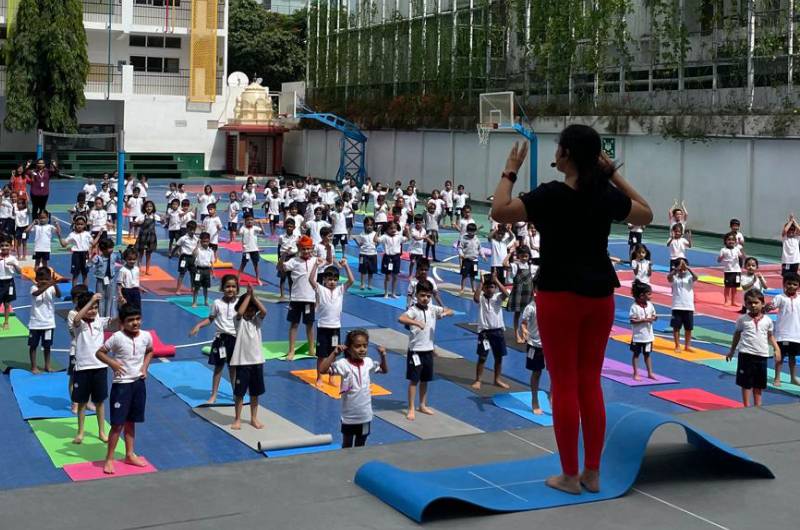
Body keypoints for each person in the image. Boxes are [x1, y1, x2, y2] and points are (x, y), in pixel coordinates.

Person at [489, 125, 652, 494]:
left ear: (565, 155)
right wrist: (611, 173)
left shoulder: (550, 194)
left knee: (563, 384)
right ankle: (592, 473)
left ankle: (569, 475)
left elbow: (500, 210)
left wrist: (510, 171)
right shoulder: (603, 194)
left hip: (560, 294)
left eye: (559, 147)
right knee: (590, 382)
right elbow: (646, 213)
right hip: (600, 295)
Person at [95, 303, 154, 474]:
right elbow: (100, 353)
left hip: (138, 384)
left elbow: (150, 351)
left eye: (137, 319)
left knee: (131, 421)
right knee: (117, 425)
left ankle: (129, 454)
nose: (135, 323)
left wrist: (144, 368)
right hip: (121, 386)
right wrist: (113, 363)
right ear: (122, 322)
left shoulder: (146, 336)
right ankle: (109, 458)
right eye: (130, 320)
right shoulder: (117, 337)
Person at [319, 329, 388, 448]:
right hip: (349, 417)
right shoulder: (343, 364)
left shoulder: (368, 362)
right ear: (349, 348)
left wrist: (383, 356)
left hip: (365, 415)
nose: (362, 349)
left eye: (365, 346)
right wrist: (334, 354)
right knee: (347, 445)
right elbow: (322, 370)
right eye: (357, 346)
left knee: (361, 445)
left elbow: (384, 370)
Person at [397, 280, 454, 421]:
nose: (426, 299)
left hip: (428, 350)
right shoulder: (413, 310)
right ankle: (411, 407)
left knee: (425, 379)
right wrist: (416, 322)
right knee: (414, 380)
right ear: (416, 295)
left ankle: (422, 404)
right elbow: (401, 318)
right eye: (422, 295)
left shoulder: (432, 309)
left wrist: (444, 314)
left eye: (428, 296)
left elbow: (450, 311)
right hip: (415, 351)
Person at [71, 292, 116, 445]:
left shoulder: (99, 321)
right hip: (83, 367)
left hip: (100, 367)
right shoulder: (78, 323)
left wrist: (122, 305)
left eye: (96, 308)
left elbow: (115, 323)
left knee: (99, 401)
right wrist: (91, 301)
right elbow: (77, 318)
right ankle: (80, 432)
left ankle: (102, 431)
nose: (93, 311)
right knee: (82, 402)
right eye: (90, 308)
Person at [189, 275, 240, 404]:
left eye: (233, 286)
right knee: (218, 368)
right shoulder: (217, 303)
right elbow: (210, 319)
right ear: (222, 288)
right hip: (220, 340)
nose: (230, 289)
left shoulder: (240, 303)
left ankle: (235, 392)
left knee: (233, 368)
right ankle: (214, 395)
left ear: (237, 288)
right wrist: (198, 325)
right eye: (227, 286)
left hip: (235, 339)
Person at [727, 290, 781, 407]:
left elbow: (770, 336)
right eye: (750, 303)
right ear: (745, 304)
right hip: (746, 355)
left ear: (762, 304)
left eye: (756, 303)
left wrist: (777, 349)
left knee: (759, 383)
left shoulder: (767, 320)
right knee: (746, 382)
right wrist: (732, 351)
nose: (753, 305)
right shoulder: (742, 319)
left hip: (762, 356)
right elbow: (737, 335)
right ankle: (746, 405)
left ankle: (758, 405)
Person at [309, 259, 355, 386]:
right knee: (321, 355)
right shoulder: (320, 289)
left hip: (335, 328)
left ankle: (331, 376)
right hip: (323, 327)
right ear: (324, 280)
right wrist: (316, 265)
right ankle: (319, 377)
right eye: (329, 280)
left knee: (333, 354)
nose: (332, 282)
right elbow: (311, 280)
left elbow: (351, 281)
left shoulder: (340, 290)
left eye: (335, 280)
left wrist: (346, 266)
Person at [230, 286, 267, 429]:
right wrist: (247, 297)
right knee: (239, 393)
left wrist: (253, 297)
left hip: (257, 362)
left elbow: (264, 311)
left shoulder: (257, 321)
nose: (250, 312)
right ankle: (238, 418)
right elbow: (240, 311)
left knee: (255, 393)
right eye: (248, 309)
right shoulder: (239, 321)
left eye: (253, 310)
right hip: (242, 362)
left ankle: (253, 418)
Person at [279, 235, 317, 360]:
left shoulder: (316, 261)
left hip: (310, 299)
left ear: (312, 248)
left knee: (309, 324)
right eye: (303, 249)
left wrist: (327, 247)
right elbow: (280, 268)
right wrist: (283, 256)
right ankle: (291, 350)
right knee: (294, 324)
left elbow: (329, 262)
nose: (306, 251)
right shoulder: (294, 261)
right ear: (299, 249)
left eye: (308, 249)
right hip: (296, 298)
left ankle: (312, 348)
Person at [471, 273, 510, 390]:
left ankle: (497, 379)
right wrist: (481, 283)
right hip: (485, 333)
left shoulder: (497, 297)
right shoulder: (482, 298)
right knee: (482, 357)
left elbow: (506, 294)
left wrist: (496, 280)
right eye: (487, 287)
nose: (490, 289)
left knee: (499, 357)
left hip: (498, 332)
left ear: (495, 288)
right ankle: (478, 379)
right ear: (484, 288)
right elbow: (475, 298)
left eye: (492, 287)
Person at [767, 273, 800, 386]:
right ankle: (777, 377)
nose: (791, 286)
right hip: (782, 334)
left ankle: (793, 377)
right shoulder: (780, 297)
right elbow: (772, 306)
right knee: (779, 357)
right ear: (784, 284)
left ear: (798, 286)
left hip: (796, 334)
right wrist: (768, 307)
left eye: (794, 284)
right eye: (789, 283)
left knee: (793, 357)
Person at [28, 267, 61, 374]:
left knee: (47, 346)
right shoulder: (33, 287)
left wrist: (54, 284)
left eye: (45, 279)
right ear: (36, 279)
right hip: (35, 323)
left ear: (49, 278)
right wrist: (49, 284)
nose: (42, 281)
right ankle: (34, 366)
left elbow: (59, 295)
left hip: (48, 323)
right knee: (33, 346)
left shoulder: (51, 288)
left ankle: (47, 365)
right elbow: (36, 293)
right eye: (40, 279)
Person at [519, 287, 546, 414]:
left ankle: (552, 397)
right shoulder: (530, 307)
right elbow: (524, 323)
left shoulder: (550, 304)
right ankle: (534, 400)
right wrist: (524, 330)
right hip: (534, 344)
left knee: (555, 373)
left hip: (549, 344)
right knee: (537, 372)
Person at [504, 245, 534, 343]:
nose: (524, 258)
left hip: (528, 292)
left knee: (527, 315)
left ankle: (525, 334)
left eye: (526, 256)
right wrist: (510, 253)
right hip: (519, 292)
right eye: (522, 256)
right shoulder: (515, 265)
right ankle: (517, 335)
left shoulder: (529, 265)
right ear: (519, 256)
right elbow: (504, 264)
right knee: (517, 314)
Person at [629, 282, 657, 380]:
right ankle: (636, 373)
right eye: (649, 294)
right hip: (638, 337)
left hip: (648, 336)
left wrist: (653, 318)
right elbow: (632, 320)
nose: (651, 296)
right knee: (636, 355)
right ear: (641, 295)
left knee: (647, 354)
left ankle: (650, 373)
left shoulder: (650, 305)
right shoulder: (634, 307)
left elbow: (654, 315)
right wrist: (644, 320)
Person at [668, 258, 697, 353]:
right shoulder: (674, 278)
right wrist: (676, 269)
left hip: (688, 307)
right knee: (676, 327)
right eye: (681, 268)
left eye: (683, 268)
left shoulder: (689, 278)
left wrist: (688, 268)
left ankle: (687, 345)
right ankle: (677, 345)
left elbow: (696, 277)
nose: (682, 270)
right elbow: (669, 277)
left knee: (688, 328)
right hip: (677, 306)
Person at [376, 222, 406, 298]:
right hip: (387, 258)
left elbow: (407, 238)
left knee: (395, 276)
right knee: (388, 276)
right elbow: (375, 239)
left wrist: (407, 230)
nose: (393, 230)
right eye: (391, 228)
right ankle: (386, 292)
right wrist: (378, 231)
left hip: (396, 257)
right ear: (387, 229)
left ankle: (393, 293)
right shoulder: (384, 236)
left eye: (395, 228)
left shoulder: (398, 236)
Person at [171, 220, 199, 295]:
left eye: (194, 229)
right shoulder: (183, 238)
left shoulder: (196, 239)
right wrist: (172, 254)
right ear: (187, 229)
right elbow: (177, 246)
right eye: (190, 229)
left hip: (193, 258)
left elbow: (198, 248)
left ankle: (193, 288)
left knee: (193, 274)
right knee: (182, 273)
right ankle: (178, 289)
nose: (192, 231)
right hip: (184, 258)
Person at [0, 236, 21, 329]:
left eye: (6, 245)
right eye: (2, 245)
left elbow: (19, 271)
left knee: (7, 303)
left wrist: (14, 265)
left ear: (11, 246)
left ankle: (6, 322)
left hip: (9, 283)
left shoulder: (13, 258)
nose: (4, 247)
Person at [91, 238, 116, 317]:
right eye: (109, 248)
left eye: (112, 247)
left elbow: (123, 261)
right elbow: (89, 264)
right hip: (101, 280)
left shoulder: (114, 256)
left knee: (110, 298)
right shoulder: (98, 258)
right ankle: (101, 316)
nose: (111, 249)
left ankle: (108, 316)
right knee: (100, 298)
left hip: (111, 279)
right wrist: (92, 256)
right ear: (103, 249)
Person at [134, 201, 161, 275]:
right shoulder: (142, 215)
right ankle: (139, 269)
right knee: (140, 253)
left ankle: (147, 270)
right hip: (143, 236)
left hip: (151, 237)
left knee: (148, 254)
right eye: (147, 206)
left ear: (153, 208)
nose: (149, 208)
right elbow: (134, 222)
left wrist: (164, 219)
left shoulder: (155, 216)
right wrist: (137, 223)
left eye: (150, 206)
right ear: (144, 208)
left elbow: (162, 221)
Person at [718, 232, 744, 307]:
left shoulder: (737, 249)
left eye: (733, 240)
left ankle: (733, 301)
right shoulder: (723, 250)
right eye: (729, 239)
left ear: (735, 242)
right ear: (725, 241)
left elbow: (741, 257)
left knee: (735, 287)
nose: (731, 241)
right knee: (727, 287)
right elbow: (719, 260)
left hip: (737, 271)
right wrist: (721, 257)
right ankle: (726, 300)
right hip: (728, 271)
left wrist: (742, 253)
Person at [237, 214, 263, 285]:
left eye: (251, 220)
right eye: (248, 220)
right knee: (243, 264)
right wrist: (240, 225)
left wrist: (261, 224)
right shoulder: (243, 228)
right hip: (246, 250)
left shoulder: (255, 228)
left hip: (254, 249)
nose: (249, 221)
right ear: (245, 221)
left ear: (253, 221)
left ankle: (257, 278)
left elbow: (262, 232)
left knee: (256, 265)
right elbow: (238, 233)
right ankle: (238, 278)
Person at [353, 216, 378, 290]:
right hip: (363, 254)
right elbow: (360, 244)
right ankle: (362, 283)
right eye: (367, 225)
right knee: (363, 270)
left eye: (371, 225)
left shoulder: (375, 234)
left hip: (373, 254)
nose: (369, 227)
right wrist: (355, 240)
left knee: (371, 271)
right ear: (364, 225)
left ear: (373, 226)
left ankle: (370, 284)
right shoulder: (362, 234)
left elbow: (377, 243)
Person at [277, 218, 299, 300]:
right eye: (288, 226)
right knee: (283, 277)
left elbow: (298, 248)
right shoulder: (281, 237)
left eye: (291, 226)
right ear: (285, 227)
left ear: (294, 227)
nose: (289, 228)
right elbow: (279, 247)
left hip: (293, 257)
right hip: (284, 258)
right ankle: (282, 294)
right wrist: (279, 259)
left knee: (291, 278)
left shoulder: (296, 237)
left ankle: (291, 295)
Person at [458, 223, 482, 295]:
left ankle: (473, 289)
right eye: (470, 231)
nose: (471, 233)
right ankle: (462, 289)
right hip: (466, 260)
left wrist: (483, 255)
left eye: (473, 231)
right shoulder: (464, 238)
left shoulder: (477, 239)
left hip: (474, 261)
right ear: (467, 231)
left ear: (475, 231)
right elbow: (460, 247)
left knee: (473, 275)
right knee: (464, 275)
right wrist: (461, 254)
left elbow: (479, 248)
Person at [192, 232, 215, 307]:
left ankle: (206, 301)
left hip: (207, 271)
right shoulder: (198, 250)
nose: (205, 243)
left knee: (206, 287)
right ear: (200, 241)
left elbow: (211, 263)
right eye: (203, 241)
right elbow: (193, 254)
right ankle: (194, 301)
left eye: (207, 241)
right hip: (198, 270)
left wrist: (213, 272)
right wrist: (197, 245)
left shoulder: (211, 251)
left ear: (209, 241)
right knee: (197, 287)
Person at [117, 246, 142, 312]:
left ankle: (136, 319)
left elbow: (135, 280)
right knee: (127, 309)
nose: (132, 261)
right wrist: (121, 295)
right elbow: (119, 284)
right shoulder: (123, 270)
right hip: (126, 291)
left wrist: (140, 288)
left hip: (135, 291)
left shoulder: (136, 269)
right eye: (130, 259)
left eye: (134, 259)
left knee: (137, 308)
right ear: (125, 259)